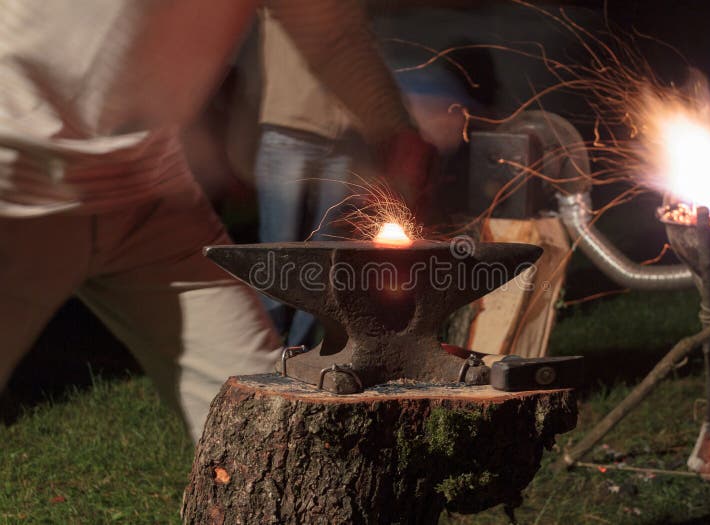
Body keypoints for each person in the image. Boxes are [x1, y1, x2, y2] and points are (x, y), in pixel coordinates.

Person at [0, 0, 434, 441]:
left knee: (262, 418)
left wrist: (394, 131)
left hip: (146, 192)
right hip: (15, 178)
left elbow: (329, 30)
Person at [254, 9, 365, 348]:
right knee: (278, 254)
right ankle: (266, 354)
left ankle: (300, 351)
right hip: (289, 134)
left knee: (328, 254)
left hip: (343, 142)